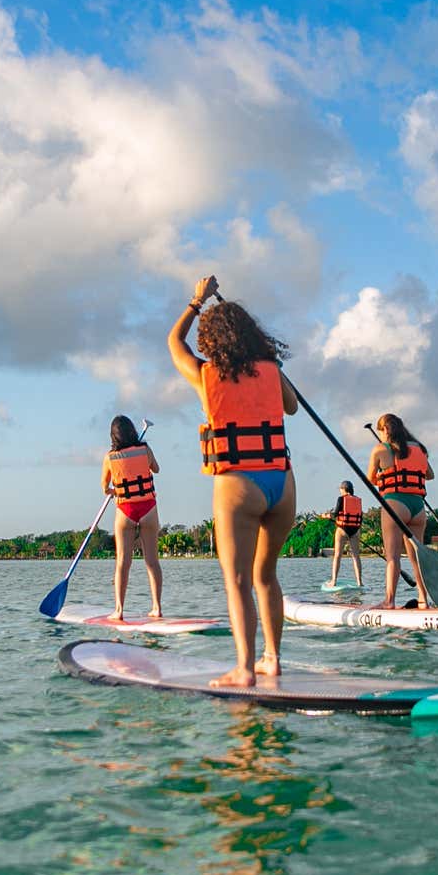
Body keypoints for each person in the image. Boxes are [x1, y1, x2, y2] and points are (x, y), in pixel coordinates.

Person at [169, 274, 297, 688]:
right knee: (266, 575)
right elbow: (292, 407)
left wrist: (196, 302)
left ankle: (244, 667)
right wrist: (270, 364)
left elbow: (174, 344)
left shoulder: (206, 375)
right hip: (282, 483)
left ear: (212, 341)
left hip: (239, 484)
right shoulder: (271, 372)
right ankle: (272, 659)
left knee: (238, 580)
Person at [102, 415, 164, 620]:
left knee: (122, 562)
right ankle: (156, 607)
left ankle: (119, 610)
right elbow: (156, 469)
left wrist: (113, 491)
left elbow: (105, 487)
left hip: (125, 510)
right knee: (152, 561)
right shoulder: (145, 449)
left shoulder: (110, 458)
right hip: (148, 508)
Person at [368, 415, 431, 608]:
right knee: (417, 558)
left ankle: (389, 601)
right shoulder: (420, 449)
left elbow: (370, 479)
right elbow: (430, 475)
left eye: (380, 430)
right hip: (418, 508)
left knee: (393, 557)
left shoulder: (380, 449)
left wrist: (384, 476)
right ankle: (423, 600)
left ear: (385, 430)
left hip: (395, 504)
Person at [327, 481, 364, 588]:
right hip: (355, 531)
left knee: (337, 555)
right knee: (356, 556)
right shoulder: (358, 500)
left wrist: (327, 516)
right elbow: (360, 517)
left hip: (342, 530)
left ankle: (333, 581)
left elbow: (335, 514)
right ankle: (359, 582)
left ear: (343, 489)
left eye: (340, 489)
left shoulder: (341, 499)